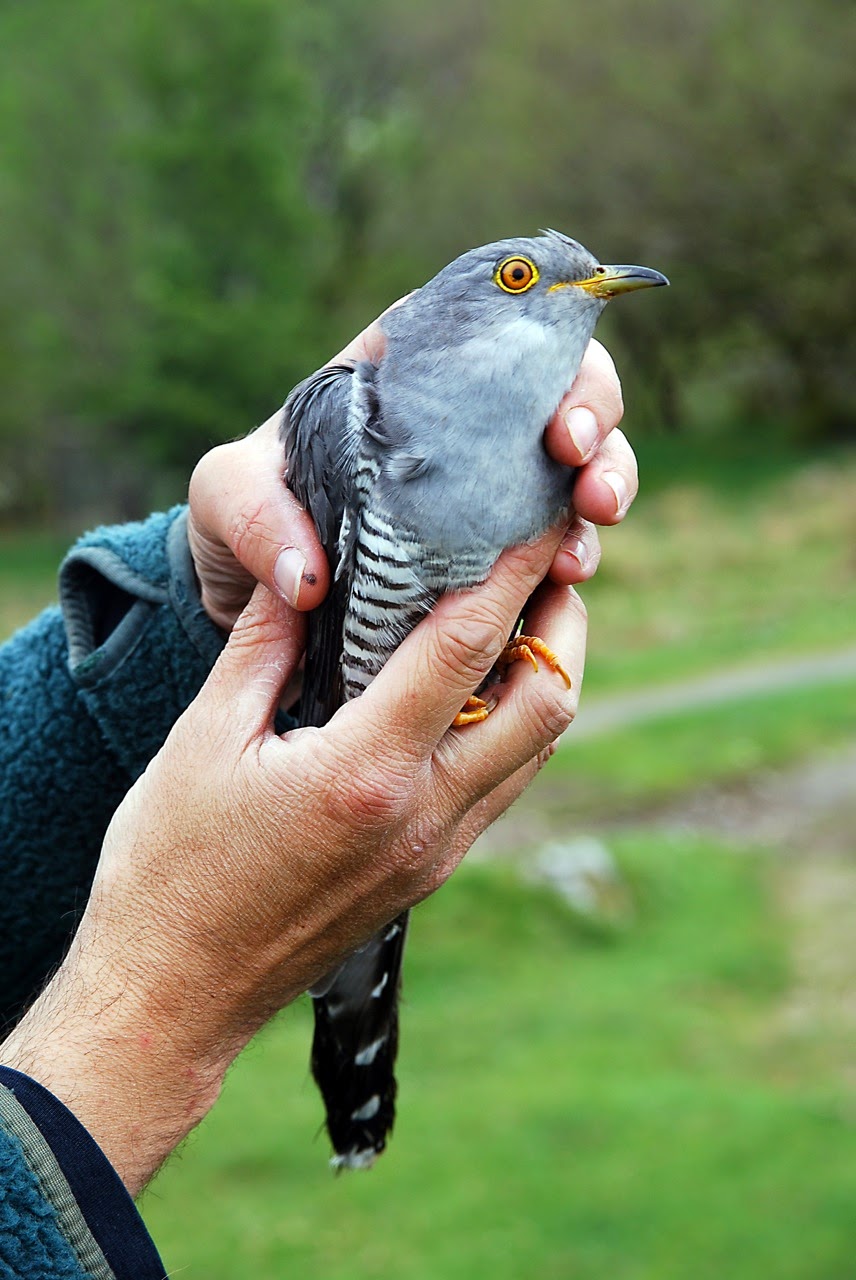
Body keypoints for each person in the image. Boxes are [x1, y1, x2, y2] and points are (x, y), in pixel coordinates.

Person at [0, 315, 635, 1278]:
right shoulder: (356, 417)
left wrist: (188, 618)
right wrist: (167, 996)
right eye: (515, 281)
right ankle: (358, 1063)